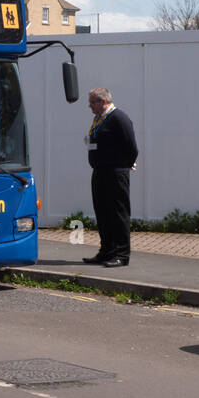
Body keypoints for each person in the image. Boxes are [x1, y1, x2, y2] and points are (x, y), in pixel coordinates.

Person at [83, 87, 138, 267]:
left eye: (92, 102)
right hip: (100, 172)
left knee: (118, 214)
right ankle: (106, 251)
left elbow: (131, 147)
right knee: (103, 213)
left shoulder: (118, 118)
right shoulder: (99, 119)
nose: (89, 106)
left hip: (115, 172)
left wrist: (125, 165)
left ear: (103, 102)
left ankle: (122, 255)